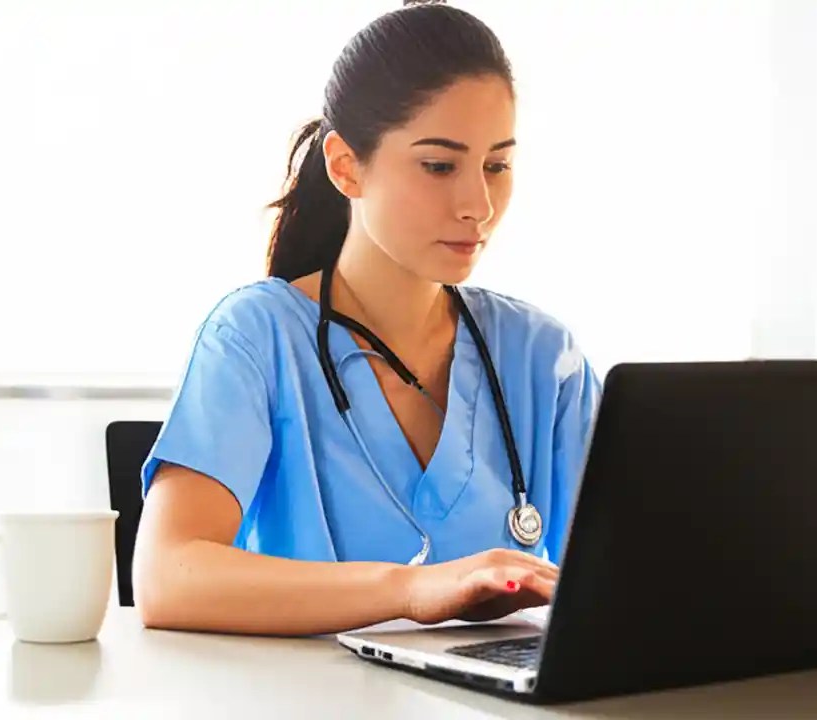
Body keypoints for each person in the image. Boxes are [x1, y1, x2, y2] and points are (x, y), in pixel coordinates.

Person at [133, 3, 601, 637]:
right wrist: (411, 589)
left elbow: (630, 577)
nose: (478, 205)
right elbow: (167, 578)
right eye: (439, 166)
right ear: (346, 166)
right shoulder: (255, 337)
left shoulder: (542, 357)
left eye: (497, 165)